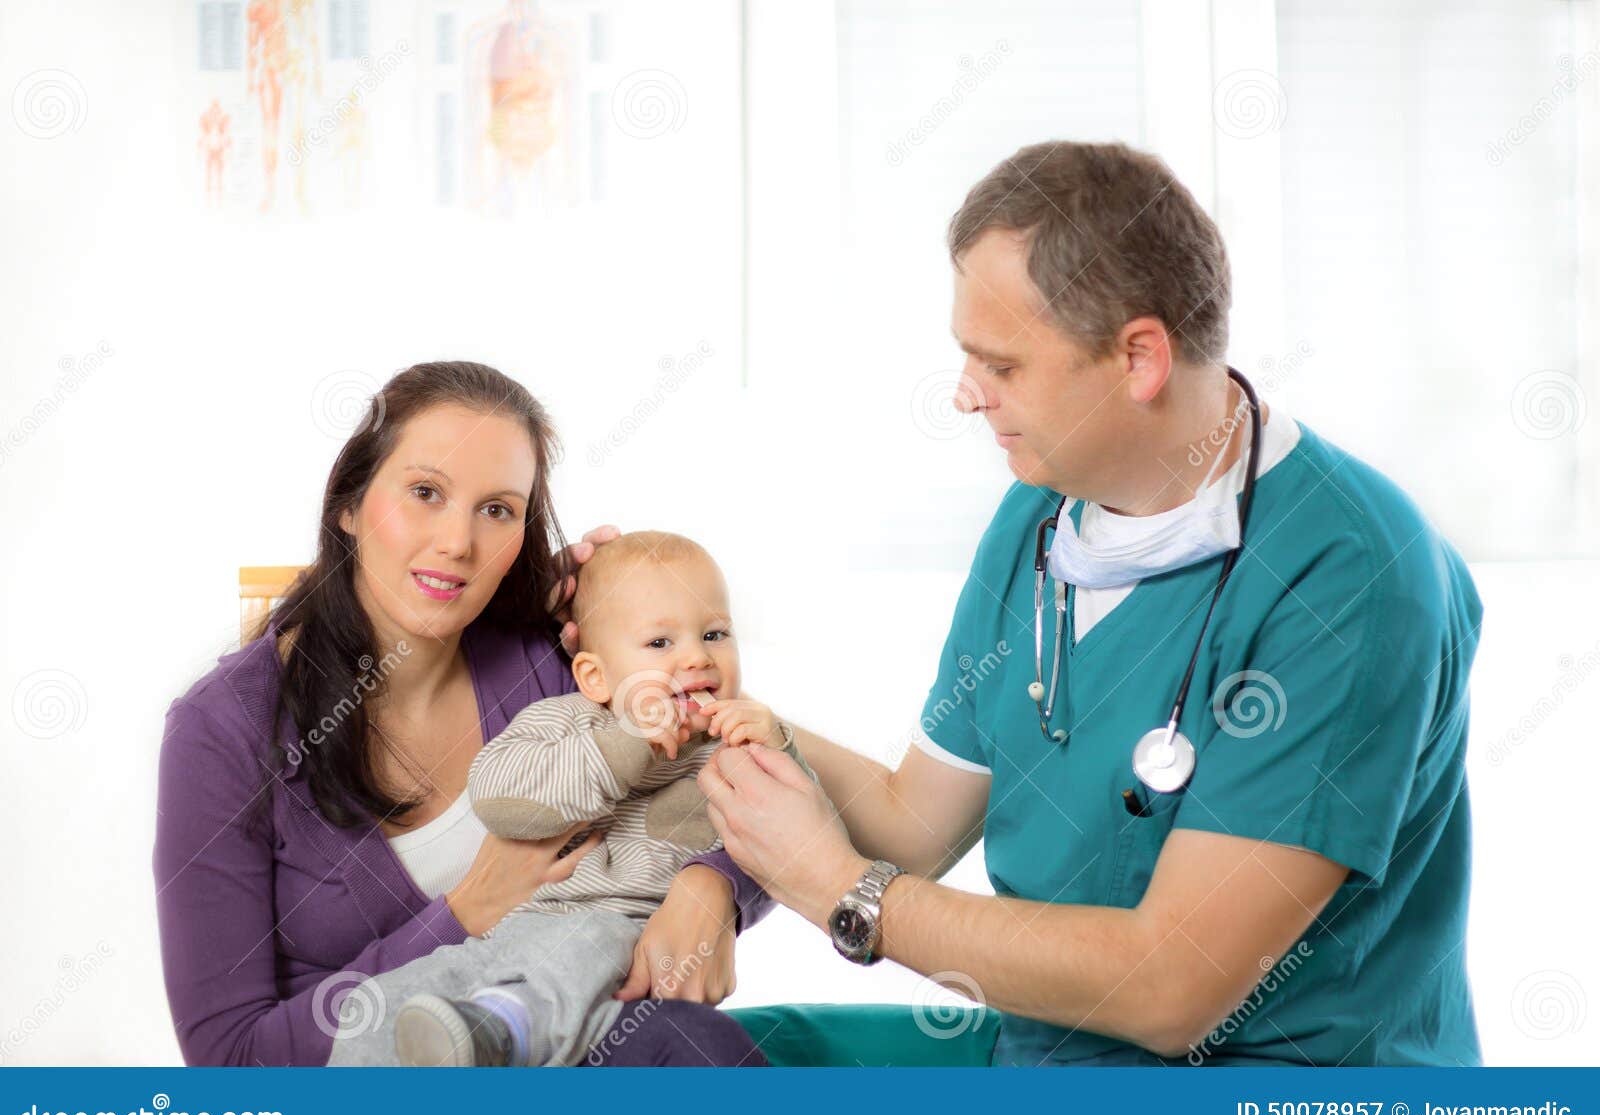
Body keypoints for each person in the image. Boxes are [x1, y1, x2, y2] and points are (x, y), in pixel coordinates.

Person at [701, 141, 1484, 1066]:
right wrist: (725, 711)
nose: (965, 394)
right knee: (688, 1069)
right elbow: (915, 823)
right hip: (1054, 1058)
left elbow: (1171, 989)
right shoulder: (1042, 510)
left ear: (1139, 358)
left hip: (1280, 1087)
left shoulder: (1350, 574)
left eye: (1000, 364)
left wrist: (844, 891)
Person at [154, 362, 766, 1066]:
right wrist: (464, 913)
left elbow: (732, 770)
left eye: (498, 509)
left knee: (703, 1050)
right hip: (364, 1104)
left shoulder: (551, 661)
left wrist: (714, 887)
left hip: (583, 1050)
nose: (458, 543)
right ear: (348, 505)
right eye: (425, 492)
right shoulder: (221, 731)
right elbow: (229, 1060)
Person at [325, 531, 808, 1067]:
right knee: (377, 1003)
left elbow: (803, 838)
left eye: (715, 634)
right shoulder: (564, 721)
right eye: (660, 644)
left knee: (587, 941)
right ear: (595, 677)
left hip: (629, 945)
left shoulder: (734, 748)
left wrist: (779, 745)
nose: (696, 657)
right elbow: (499, 797)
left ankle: (507, 1029)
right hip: (514, 933)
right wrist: (624, 745)